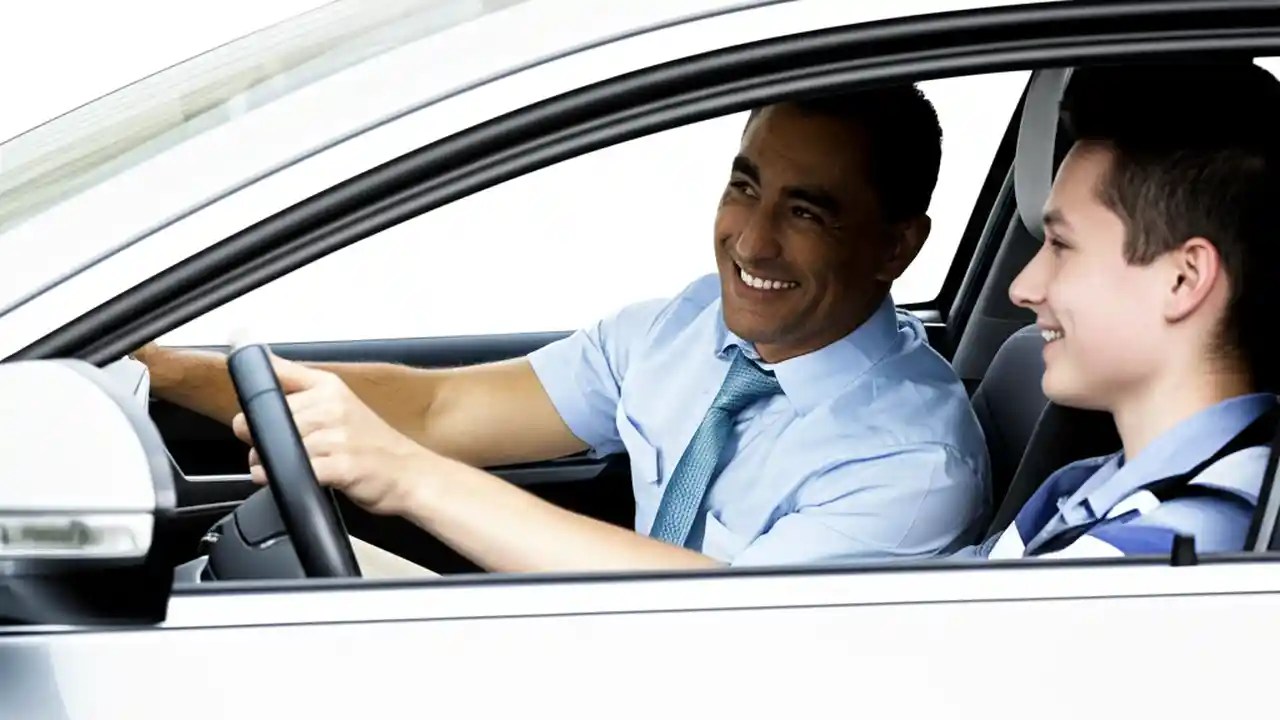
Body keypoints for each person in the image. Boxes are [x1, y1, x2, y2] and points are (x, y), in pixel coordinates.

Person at [137, 85, 991, 575]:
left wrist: (406, 478)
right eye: (744, 187)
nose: (751, 240)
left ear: (895, 246)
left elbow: (722, 625)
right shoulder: (683, 329)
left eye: (806, 212)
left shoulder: (913, 464)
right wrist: (167, 371)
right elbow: (438, 413)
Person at [973, 61, 1280, 560]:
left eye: (1061, 245)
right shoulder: (1081, 487)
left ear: (1183, 279)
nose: (1023, 288)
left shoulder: (1158, 555)